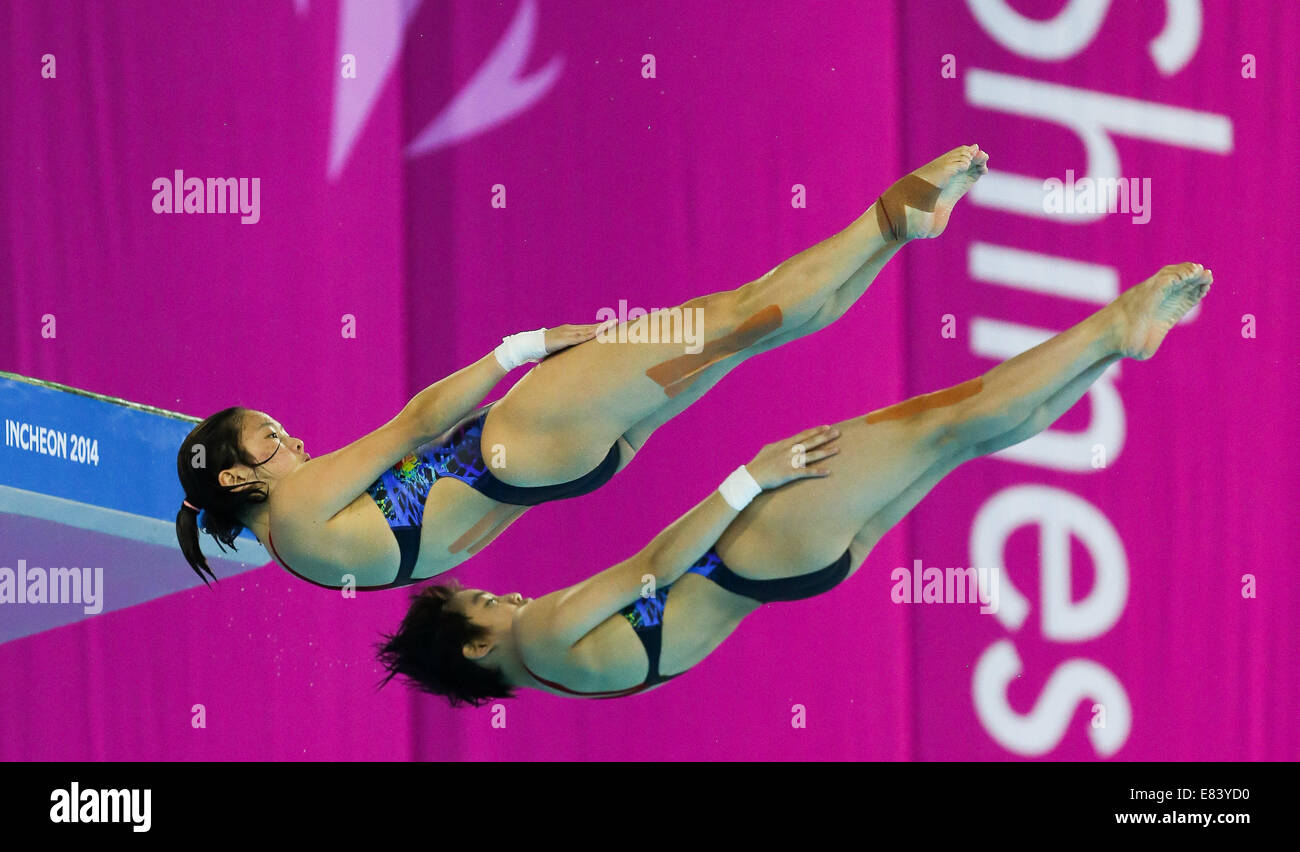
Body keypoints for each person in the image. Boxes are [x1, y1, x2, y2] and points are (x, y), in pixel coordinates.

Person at [376, 263, 1212, 702]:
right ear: (479, 647)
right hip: (757, 546)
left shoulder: (570, 678)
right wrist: (748, 479)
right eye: (481, 605)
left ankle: (1111, 347)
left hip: (800, 569)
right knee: (941, 422)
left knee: (958, 440)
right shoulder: (548, 639)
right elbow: (655, 570)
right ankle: (1114, 326)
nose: (501, 599)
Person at [176, 146, 990, 588]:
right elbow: (416, 426)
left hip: (567, 469)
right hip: (524, 435)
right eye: (271, 440)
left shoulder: (304, 561)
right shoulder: (303, 506)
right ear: (244, 481)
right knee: (740, 314)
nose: (295, 441)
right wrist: (516, 351)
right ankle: (891, 217)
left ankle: (893, 233)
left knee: (747, 336)